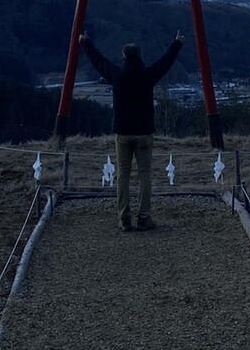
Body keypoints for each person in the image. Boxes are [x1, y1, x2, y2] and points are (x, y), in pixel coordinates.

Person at [79, 28, 185, 231]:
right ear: (140, 57)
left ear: (123, 57)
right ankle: (144, 217)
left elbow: (98, 60)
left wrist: (86, 42)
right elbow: (165, 63)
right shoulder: (147, 76)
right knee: (145, 173)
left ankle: (124, 217)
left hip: (123, 132)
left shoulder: (117, 75)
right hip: (144, 131)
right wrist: (177, 43)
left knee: (123, 173)